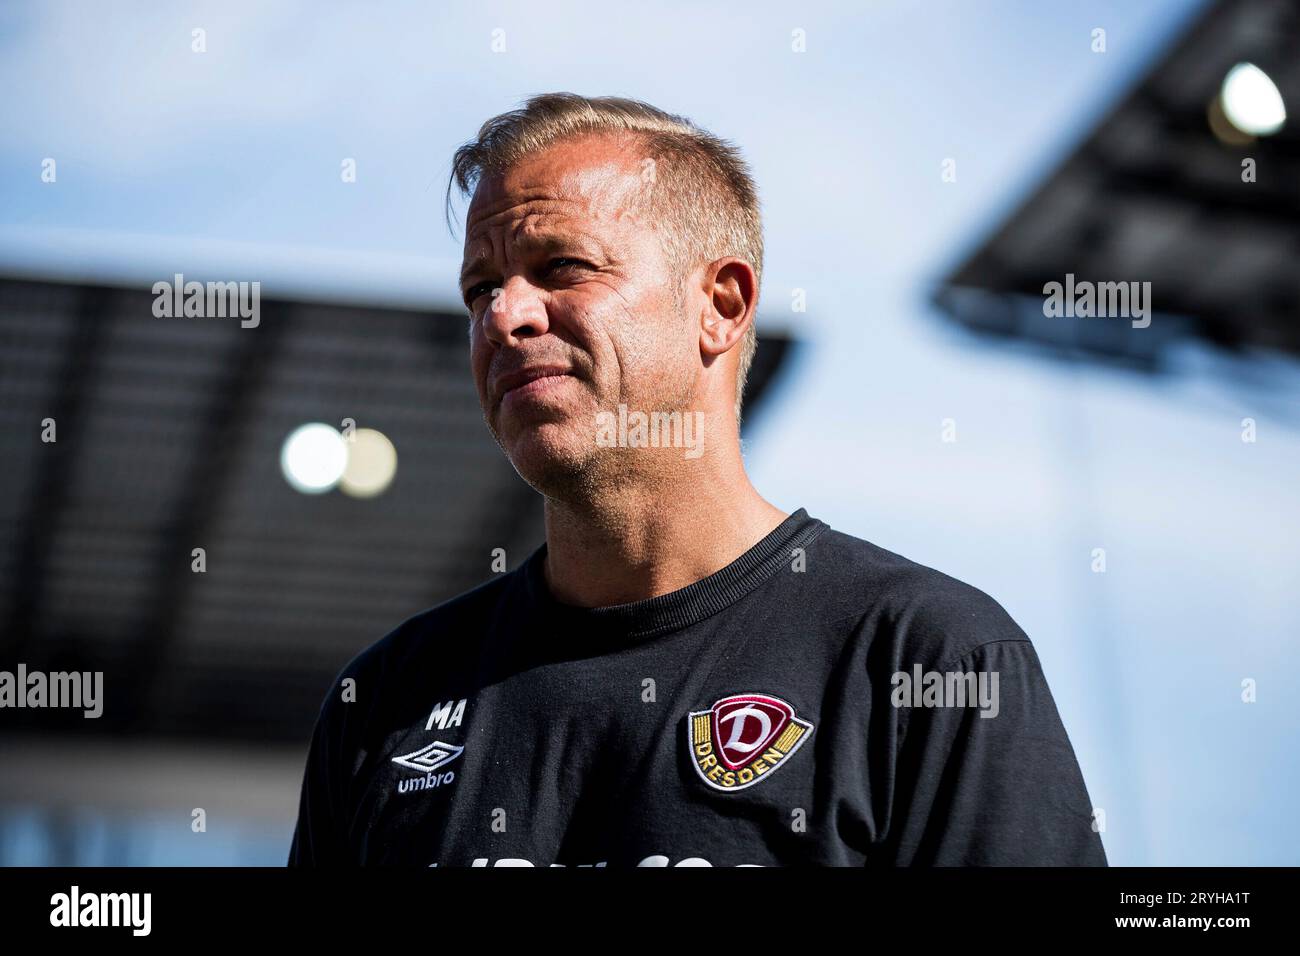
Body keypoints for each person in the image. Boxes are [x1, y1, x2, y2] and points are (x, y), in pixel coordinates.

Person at [288, 92, 1106, 866]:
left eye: (562, 266)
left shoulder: (925, 656)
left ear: (720, 304)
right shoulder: (387, 700)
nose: (504, 315)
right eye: (481, 288)